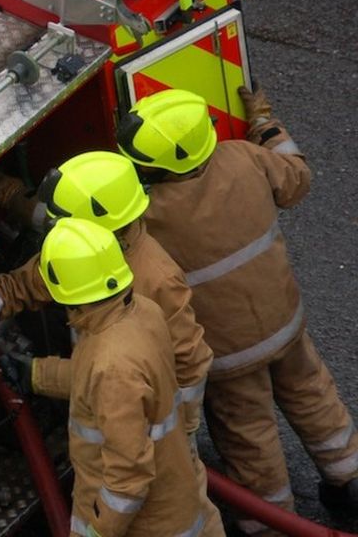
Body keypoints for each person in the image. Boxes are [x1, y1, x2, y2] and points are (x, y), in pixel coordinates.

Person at [116, 87, 358, 534]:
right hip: (285, 323)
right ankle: (349, 476)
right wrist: (264, 121)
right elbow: (297, 178)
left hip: (229, 359)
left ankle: (271, 522)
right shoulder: (245, 157)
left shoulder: (149, 215)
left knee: (250, 439)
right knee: (314, 395)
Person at [0, 151, 223, 535]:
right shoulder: (131, 302)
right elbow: (26, 290)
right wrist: (33, 372)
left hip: (142, 508)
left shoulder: (151, 286)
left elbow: (126, 478)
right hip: (167, 477)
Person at [37, 217, 203, 537]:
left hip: (146, 527)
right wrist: (36, 374)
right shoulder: (141, 312)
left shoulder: (110, 365)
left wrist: (96, 533)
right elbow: (94, 380)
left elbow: (127, 479)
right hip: (173, 500)